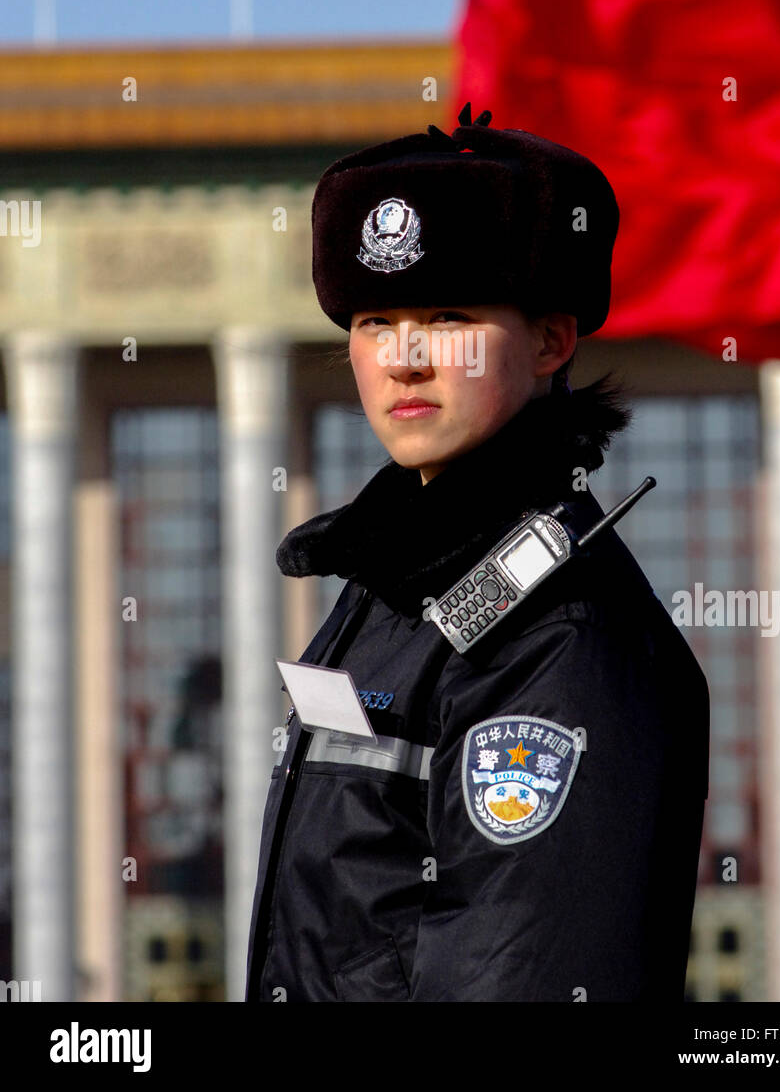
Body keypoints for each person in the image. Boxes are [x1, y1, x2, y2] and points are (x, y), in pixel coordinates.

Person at [245, 103, 710, 1002]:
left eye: (447, 315)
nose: (404, 358)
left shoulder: (556, 631)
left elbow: (522, 969)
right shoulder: (396, 585)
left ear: (550, 341)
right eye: (376, 320)